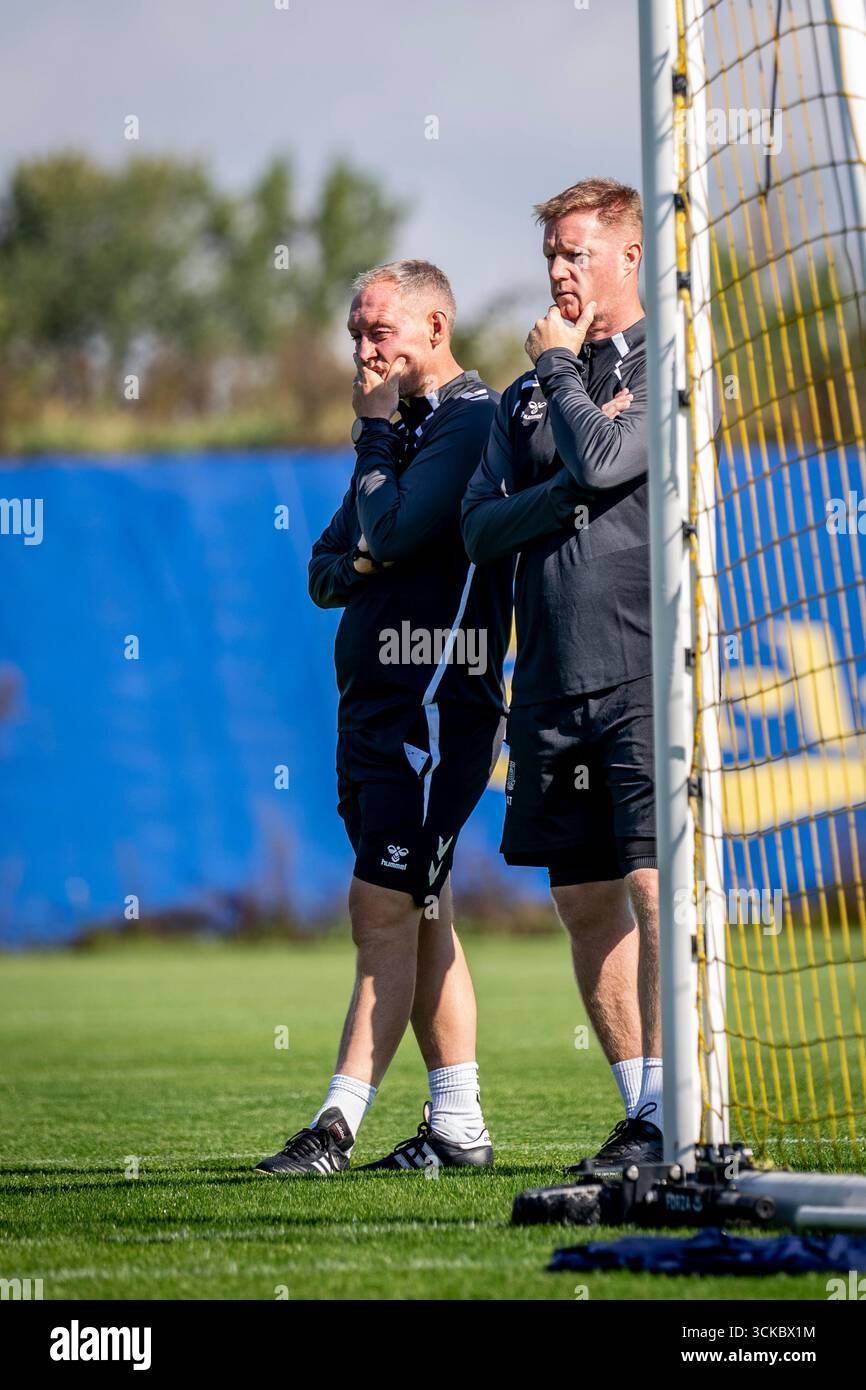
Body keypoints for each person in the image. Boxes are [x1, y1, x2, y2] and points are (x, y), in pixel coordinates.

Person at [256, 260, 512, 1175]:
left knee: (380, 906)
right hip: (374, 712)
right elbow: (327, 566)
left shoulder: (470, 421)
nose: (363, 353)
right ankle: (459, 1125)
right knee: (421, 910)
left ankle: (335, 1125)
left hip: (436, 708)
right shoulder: (400, 433)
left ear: (435, 329)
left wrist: (371, 459)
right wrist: (368, 539)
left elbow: (391, 537)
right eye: (356, 335)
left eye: (380, 335)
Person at [461, 179, 663, 1175]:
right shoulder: (523, 396)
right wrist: (558, 491)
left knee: (651, 886)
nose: (556, 270)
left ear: (627, 255)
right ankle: (640, 1117)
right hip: (544, 679)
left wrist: (556, 366)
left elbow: (605, 457)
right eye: (549, 252)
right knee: (585, 902)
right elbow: (477, 524)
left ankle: (678, 1107)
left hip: (639, 668)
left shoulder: (663, 358)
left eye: (575, 251)